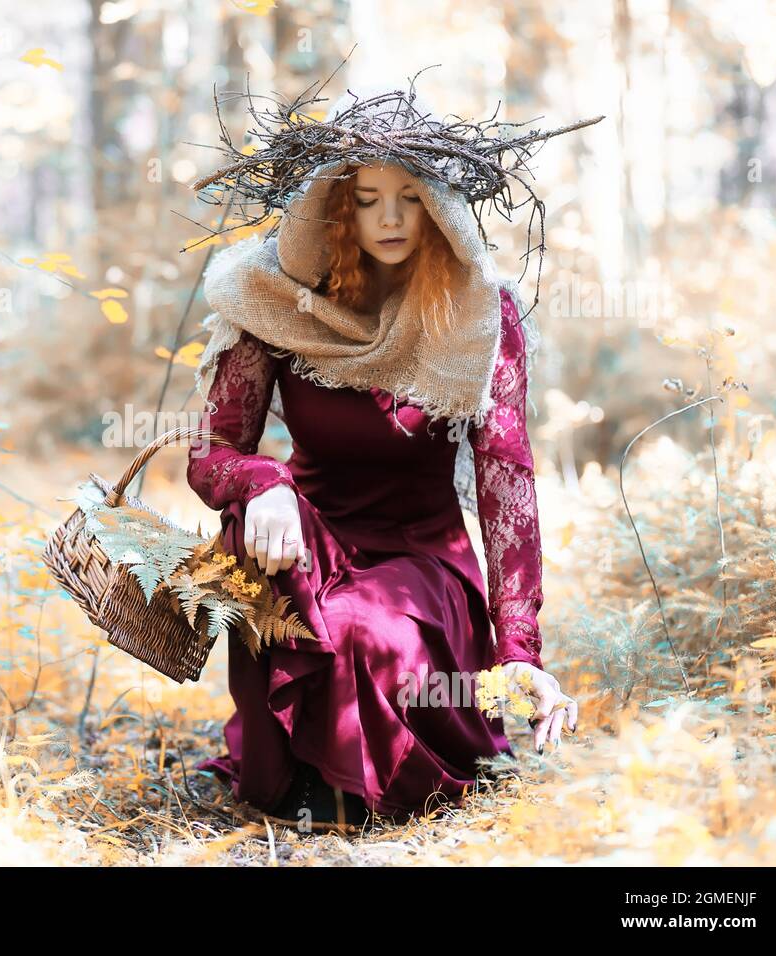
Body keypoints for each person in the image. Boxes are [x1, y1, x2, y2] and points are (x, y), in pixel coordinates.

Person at [186, 82, 579, 830]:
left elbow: (507, 483)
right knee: (253, 536)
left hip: (420, 561)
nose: (391, 218)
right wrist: (263, 481)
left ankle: (367, 782)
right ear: (338, 206)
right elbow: (210, 457)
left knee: (371, 627)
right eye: (368, 198)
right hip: (300, 544)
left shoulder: (473, 311)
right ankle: (306, 774)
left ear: (439, 205)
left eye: (409, 196)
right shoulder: (277, 299)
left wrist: (518, 647)